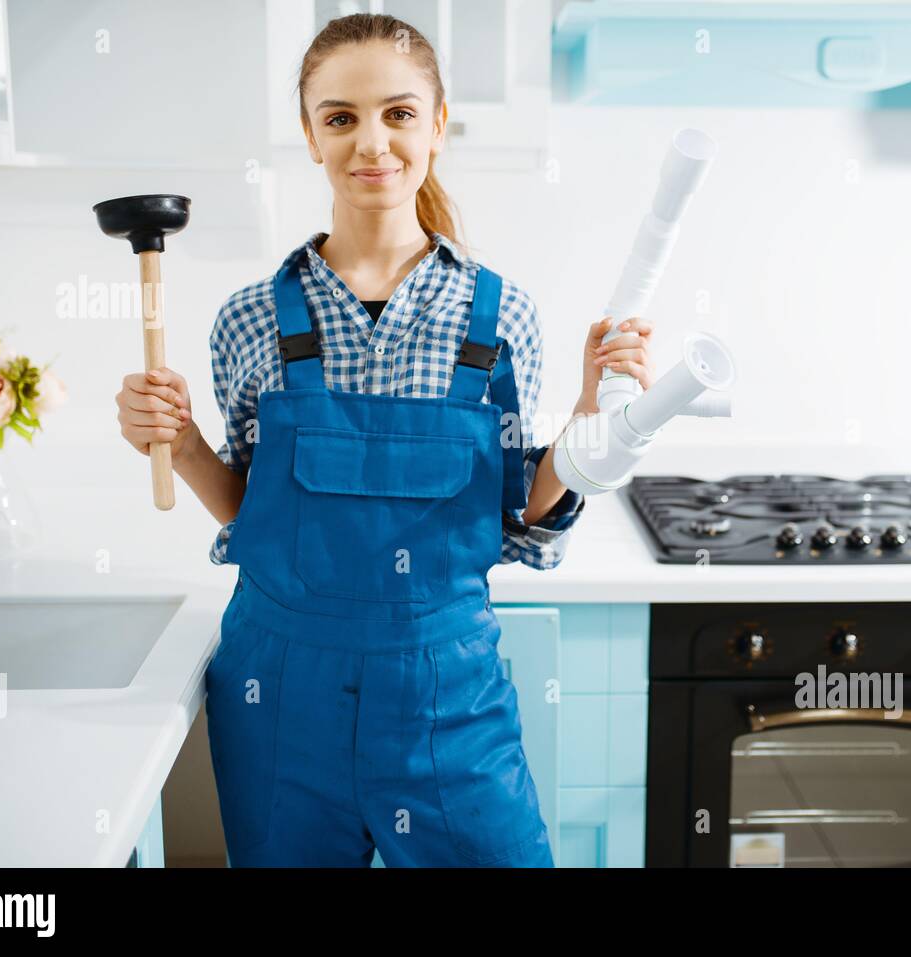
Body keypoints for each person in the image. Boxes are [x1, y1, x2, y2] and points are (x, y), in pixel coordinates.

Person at [114, 13, 654, 866]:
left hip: (448, 693)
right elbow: (250, 508)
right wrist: (179, 444)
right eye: (341, 117)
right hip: (279, 692)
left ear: (437, 127)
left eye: (399, 114)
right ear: (310, 134)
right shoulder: (251, 319)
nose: (373, 142)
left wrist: (592, 409)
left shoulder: (498, 318)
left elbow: (522, 512)